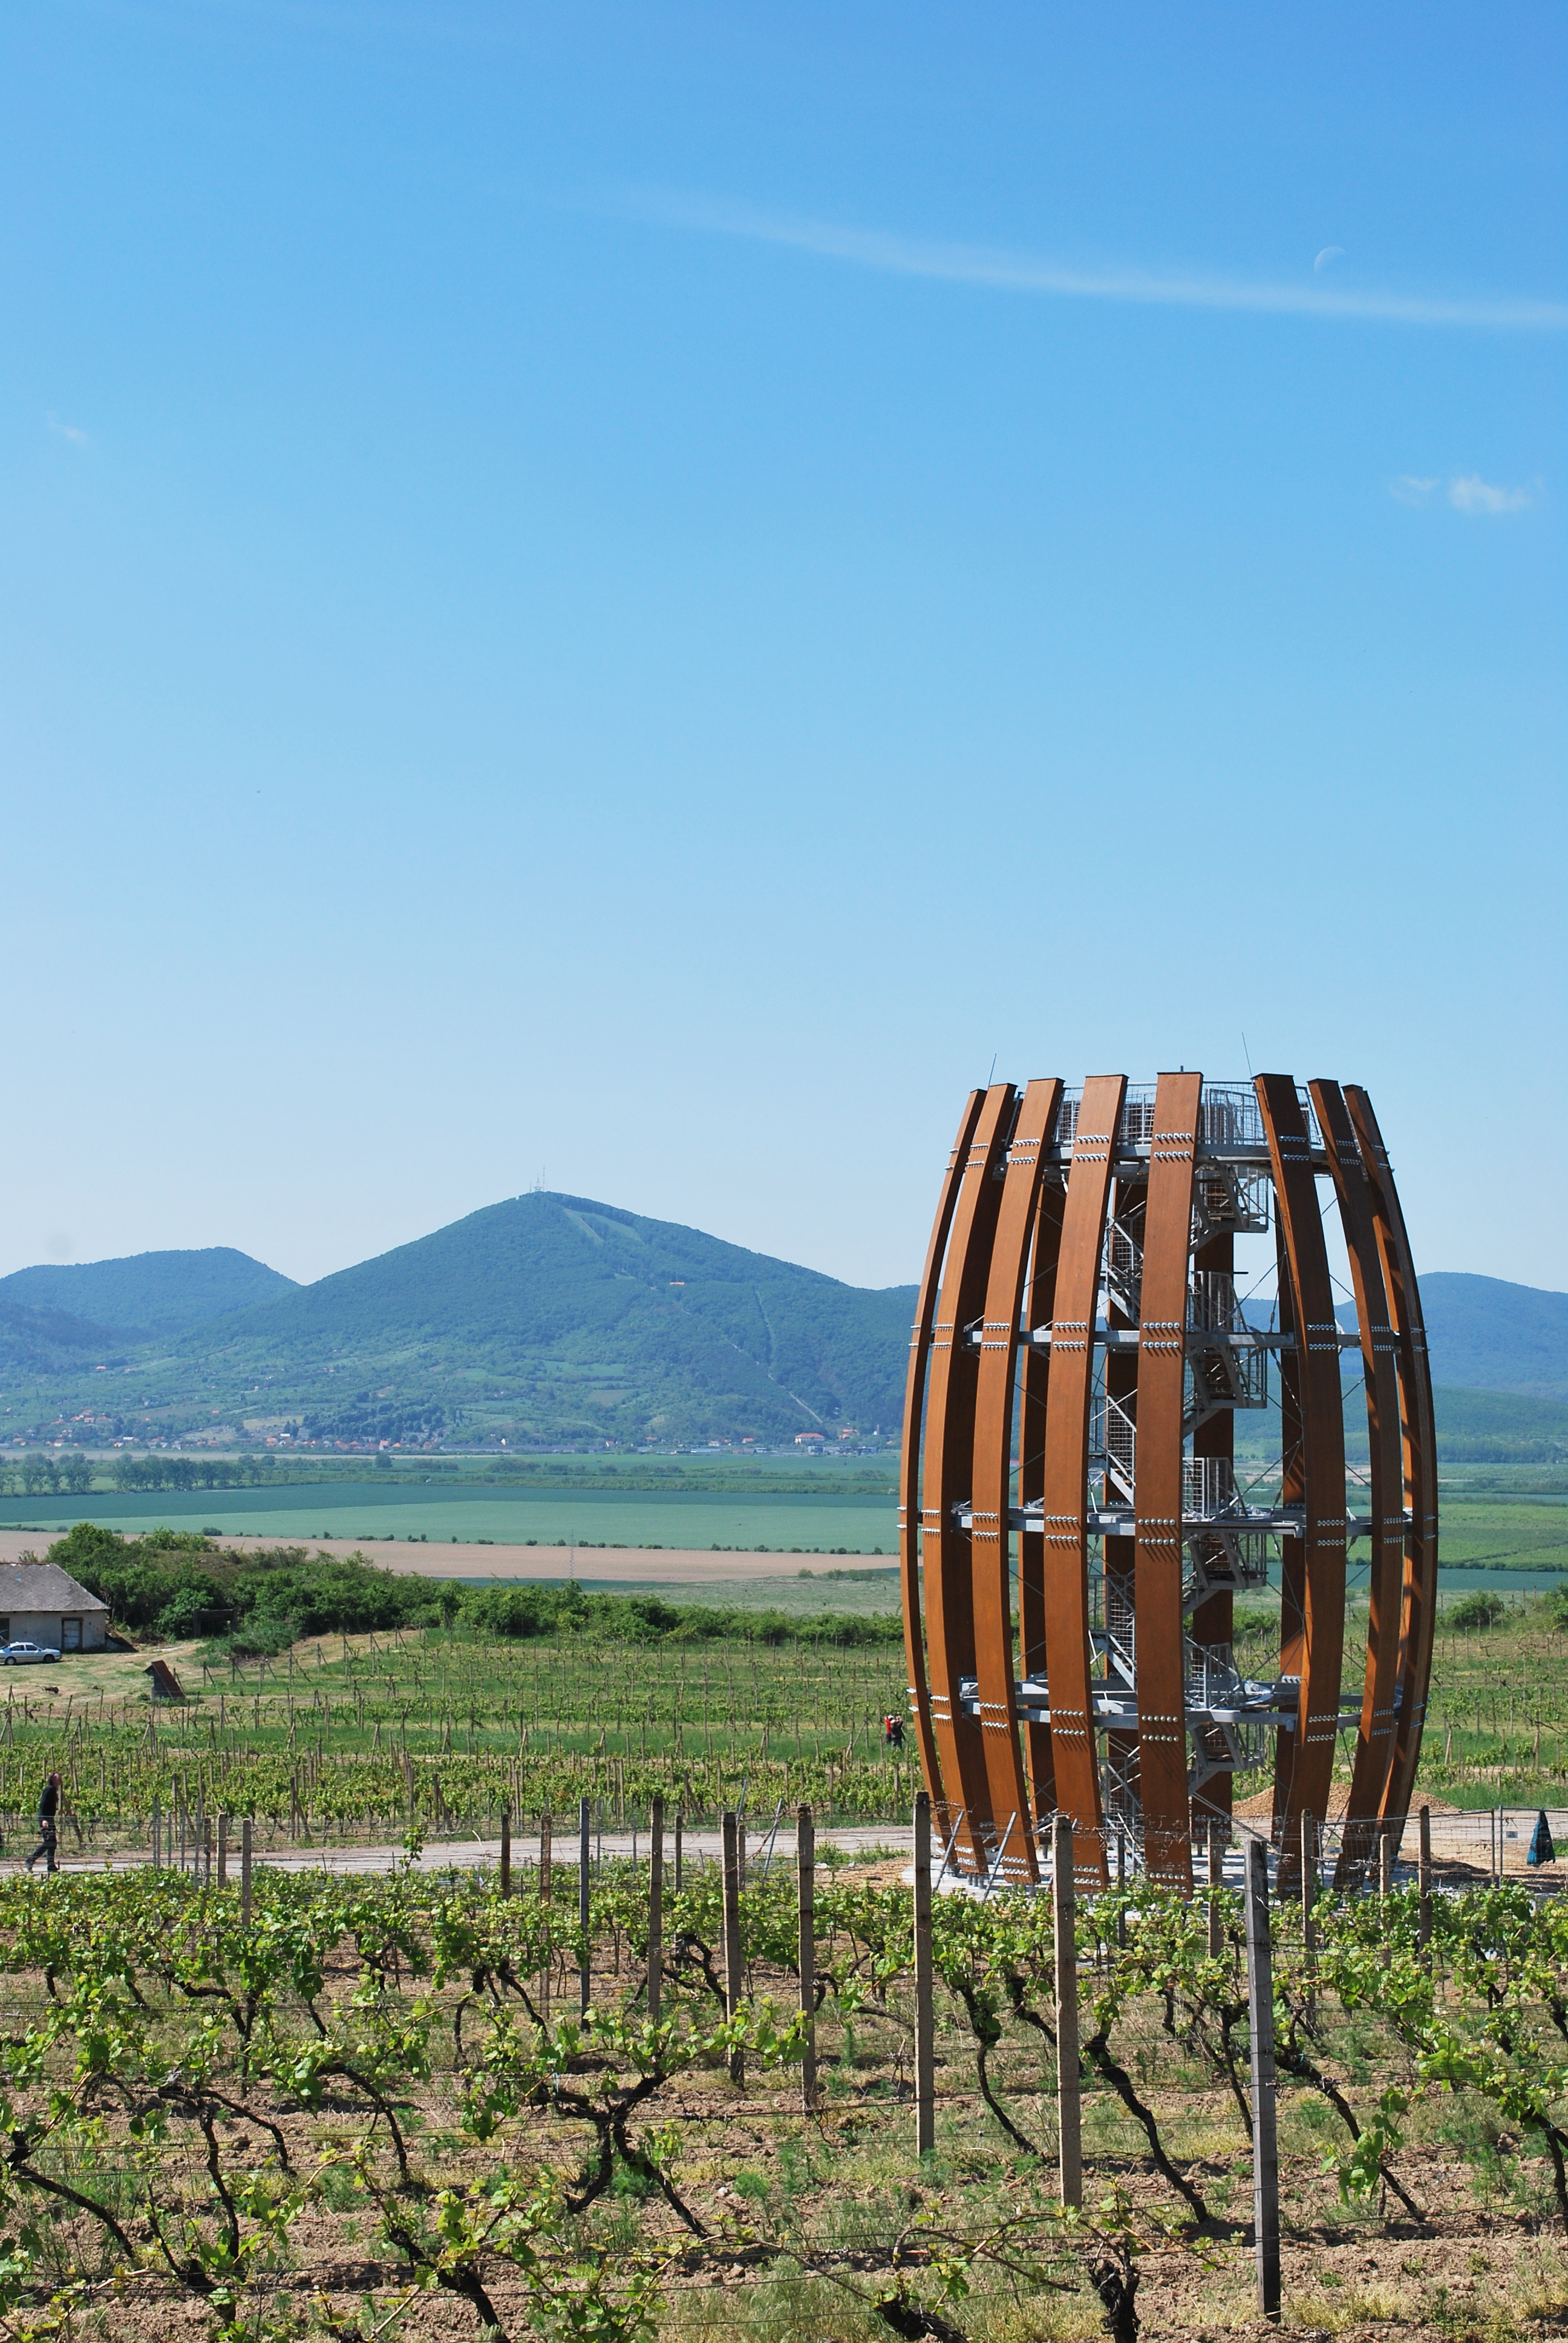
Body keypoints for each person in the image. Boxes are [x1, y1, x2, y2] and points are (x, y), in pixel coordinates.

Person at [25, 1771, 62, 1876]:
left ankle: (51, 1865)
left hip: (50, 1819)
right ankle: (30, 1860)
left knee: (52, 1842)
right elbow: (42, 1805)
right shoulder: (49, 1789)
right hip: (46, 1819)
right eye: (58, 1777)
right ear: (53, 1779)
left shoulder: (54, 1790)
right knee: (49, 1842)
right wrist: (43, 1820)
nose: (60, 1779)